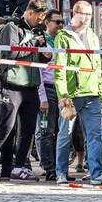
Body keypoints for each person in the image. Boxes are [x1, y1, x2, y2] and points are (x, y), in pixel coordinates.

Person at [0, 0, 49, 183]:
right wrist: (33, 43)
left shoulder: (36, 30)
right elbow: (10, 54)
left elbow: (36, 60)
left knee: (28, 129)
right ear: (29, 12)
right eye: (39, 16)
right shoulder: (11, 27)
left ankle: (19, 167)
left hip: (30, 85)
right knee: (6, 126)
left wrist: (44, 54)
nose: (41, 20)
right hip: (11, 84)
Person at [53, 0, 102, 186]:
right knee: (65, 134)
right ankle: (61, 172)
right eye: (83, 14)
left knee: (94, 135)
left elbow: (97, 66)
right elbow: (59, 68)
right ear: (74, 14)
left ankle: (96, 173)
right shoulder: (64, 36)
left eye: (89, 15)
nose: (86, 18)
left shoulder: (93, 36)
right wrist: (63, 95)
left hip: (92, 92)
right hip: (72, 93)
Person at [36, 10, 65, 180]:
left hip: (62, 89)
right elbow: (38, 70)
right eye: (57, 22)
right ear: (47, 23)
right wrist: (42, 97)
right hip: (47, 89)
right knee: (47, 130)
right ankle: (50, 168)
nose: (60, 25)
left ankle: (60, 167)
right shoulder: (42, 42)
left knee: (61, 131)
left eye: (62, 22)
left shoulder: (62, 41)